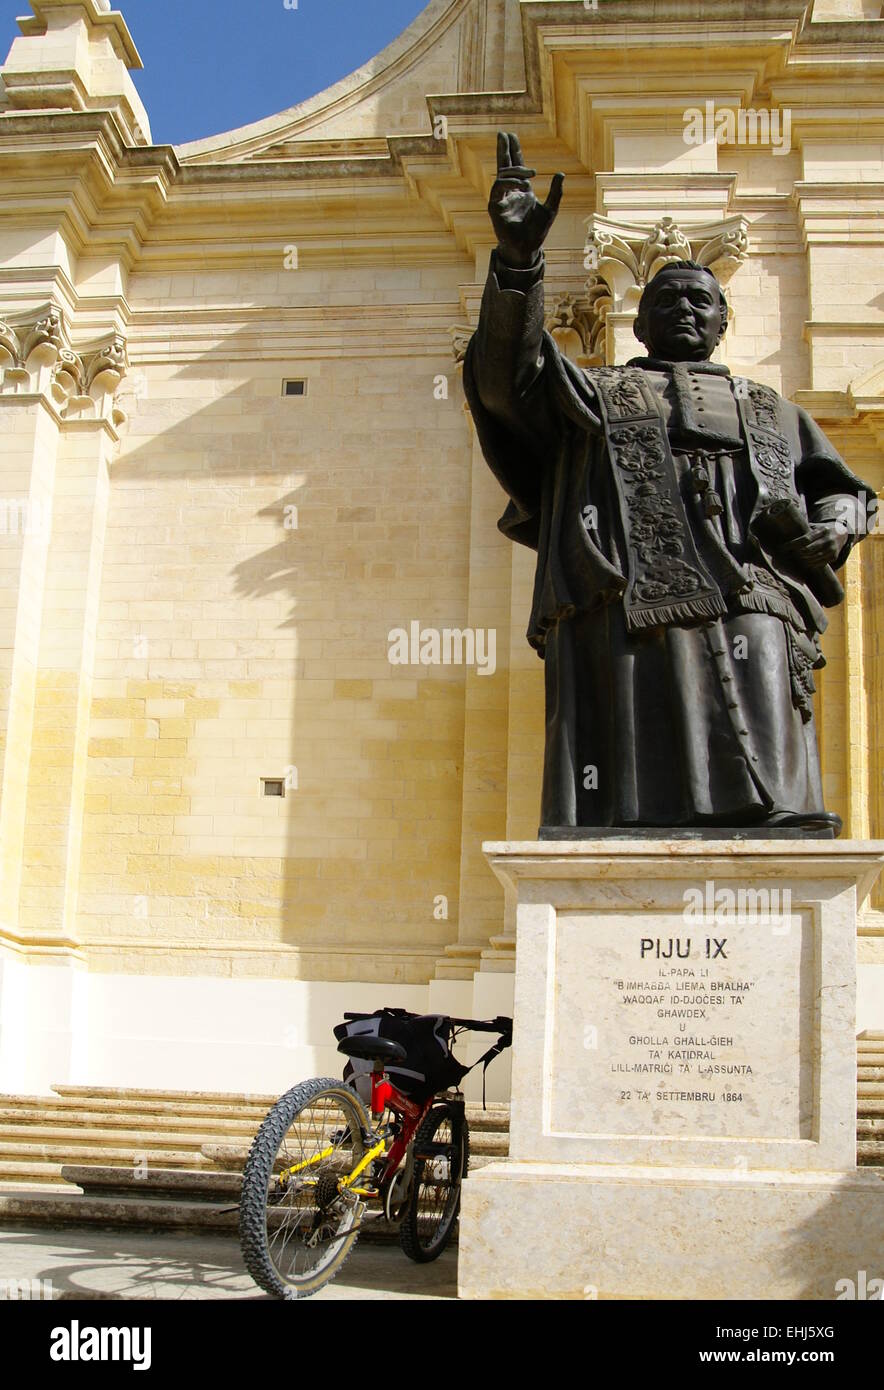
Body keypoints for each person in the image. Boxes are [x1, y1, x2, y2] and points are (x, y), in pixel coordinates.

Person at [463, 132, 875, 835]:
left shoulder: (772, 409)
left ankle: (773, 821)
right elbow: (507, 381)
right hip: (627, 580)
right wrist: (518, 262)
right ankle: (625, 826)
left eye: (701, 300)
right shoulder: (594, 391)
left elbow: (843, 488)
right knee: (635, 712)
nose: (686, 308)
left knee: (762, 681)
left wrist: (835, 523)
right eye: (668, 299)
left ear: (723, 323)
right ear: (643, 322)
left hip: (751, 580)